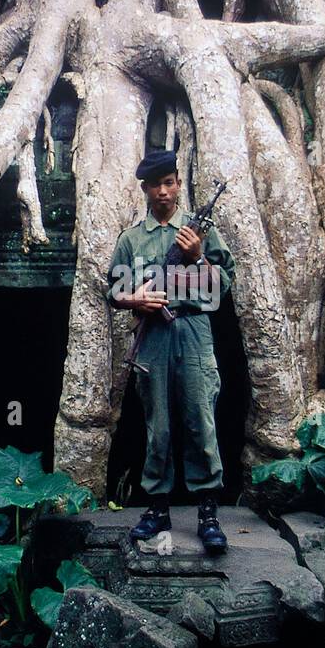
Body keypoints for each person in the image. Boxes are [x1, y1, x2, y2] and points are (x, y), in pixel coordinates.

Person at [105, 149, 237, 554]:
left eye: (169, 183)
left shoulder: (199, 234)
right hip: (154, 338)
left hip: (194, 330)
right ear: (144, 189)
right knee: (157, 424)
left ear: (178, 184)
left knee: (200, 419)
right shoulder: (132, 239)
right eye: (154, 185)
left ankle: (208, 513)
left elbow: (225, 284)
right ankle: (157, 508)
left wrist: (197, 257)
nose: (163, 192)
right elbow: (112, 290)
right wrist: (134, 301)